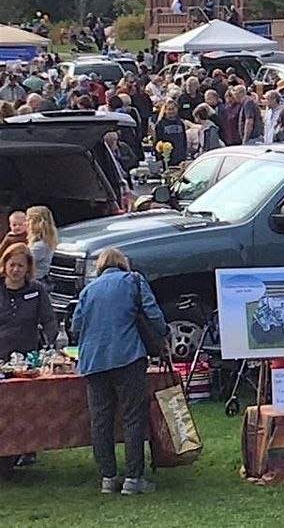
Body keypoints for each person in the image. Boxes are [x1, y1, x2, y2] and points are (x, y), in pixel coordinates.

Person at [71, 247, 168, 495]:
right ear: (123, 264)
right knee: (133, 417)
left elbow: (76, 326)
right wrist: (164, 333)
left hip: (93, 361)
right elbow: (153, 313)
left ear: (100, 267)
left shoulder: (88, 290)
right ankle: (134, 478)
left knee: (100, 421)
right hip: (128, 356)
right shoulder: (134, 281)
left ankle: (108, 477)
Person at [0, 242, 57, 362]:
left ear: (27, 268)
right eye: (12, 265)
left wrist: (50, 346)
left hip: (29, 356)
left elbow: (49, 320)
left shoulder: (37, 289)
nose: (16, 269)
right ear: (4, 264)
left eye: (20, 266)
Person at [25, 204, 58, 282]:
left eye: (28, 220)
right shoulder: (44, 242)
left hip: (34, 281)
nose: (25, 223)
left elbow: (25, 262)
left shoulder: (39, 246)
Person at [153, 99, 187, 166]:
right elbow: (157, 142)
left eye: (173, 109)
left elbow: (184, 140)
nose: (171, 111)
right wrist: (159, 159)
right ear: (165, 110)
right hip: (166, 158)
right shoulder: (160, 124)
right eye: (169, 109)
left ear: (177, 109)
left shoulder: (181, 123)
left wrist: (184, 156)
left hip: (180, 158)